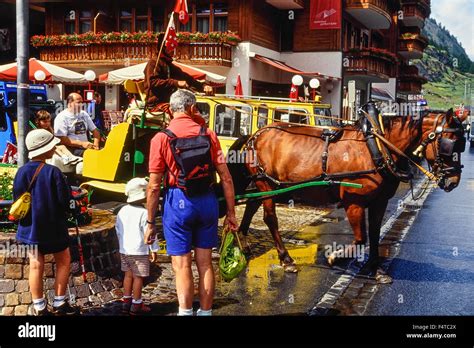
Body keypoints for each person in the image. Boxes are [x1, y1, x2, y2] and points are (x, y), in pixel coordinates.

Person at [145, 89, 238, 316]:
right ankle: (205, 313)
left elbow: (154, 186)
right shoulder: (209, 134)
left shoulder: (161, 138)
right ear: (192, 108)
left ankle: (185, 313)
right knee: (205, 264)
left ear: (171, 109)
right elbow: (226, 177)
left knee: (182, 266)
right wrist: (232, 213)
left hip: (178, 202)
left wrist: (149, 222)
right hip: (207, 201)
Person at [13, 129, 78, 316]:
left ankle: (39, 307)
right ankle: (59, 303)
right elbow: (64, 201)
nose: (55, 147)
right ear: (45, 149)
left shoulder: (21, 172)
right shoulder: (54, 172)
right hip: (54, 228)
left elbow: (18, 198)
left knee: (35, 264)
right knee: (64, 260)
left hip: (31, 228)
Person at [143, 33, 213, 125]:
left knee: (198, 118)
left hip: (171, 102)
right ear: (163, 47)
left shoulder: (169, 65)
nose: (173, 50)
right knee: (184, 119)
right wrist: (176, 83)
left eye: (173, 47)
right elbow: (152, 83)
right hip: (156, 104)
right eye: (170, 47)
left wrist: (203, 86)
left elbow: (187, 78)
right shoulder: (153, 63)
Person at [115, 178, 160, 315]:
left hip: (125, 250)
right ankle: (137, 303)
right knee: (138, 277)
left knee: (128, 276)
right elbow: (150, 233)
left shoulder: (122, 210)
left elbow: (118, 230)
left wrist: (122, 245)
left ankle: (126, 301)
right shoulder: (144, 213)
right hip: (139, 251)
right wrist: (154, 249)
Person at [54, 92, 101, 157]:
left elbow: (95, 131)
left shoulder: (84, 114)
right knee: (92, 156)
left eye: (82, 102)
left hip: (86, 148)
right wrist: (81, 144)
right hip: (71, 149)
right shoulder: (62, 117)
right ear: (70, 103)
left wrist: (96, 144)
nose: (81, 104)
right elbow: (62, 139)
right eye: (79, 102)